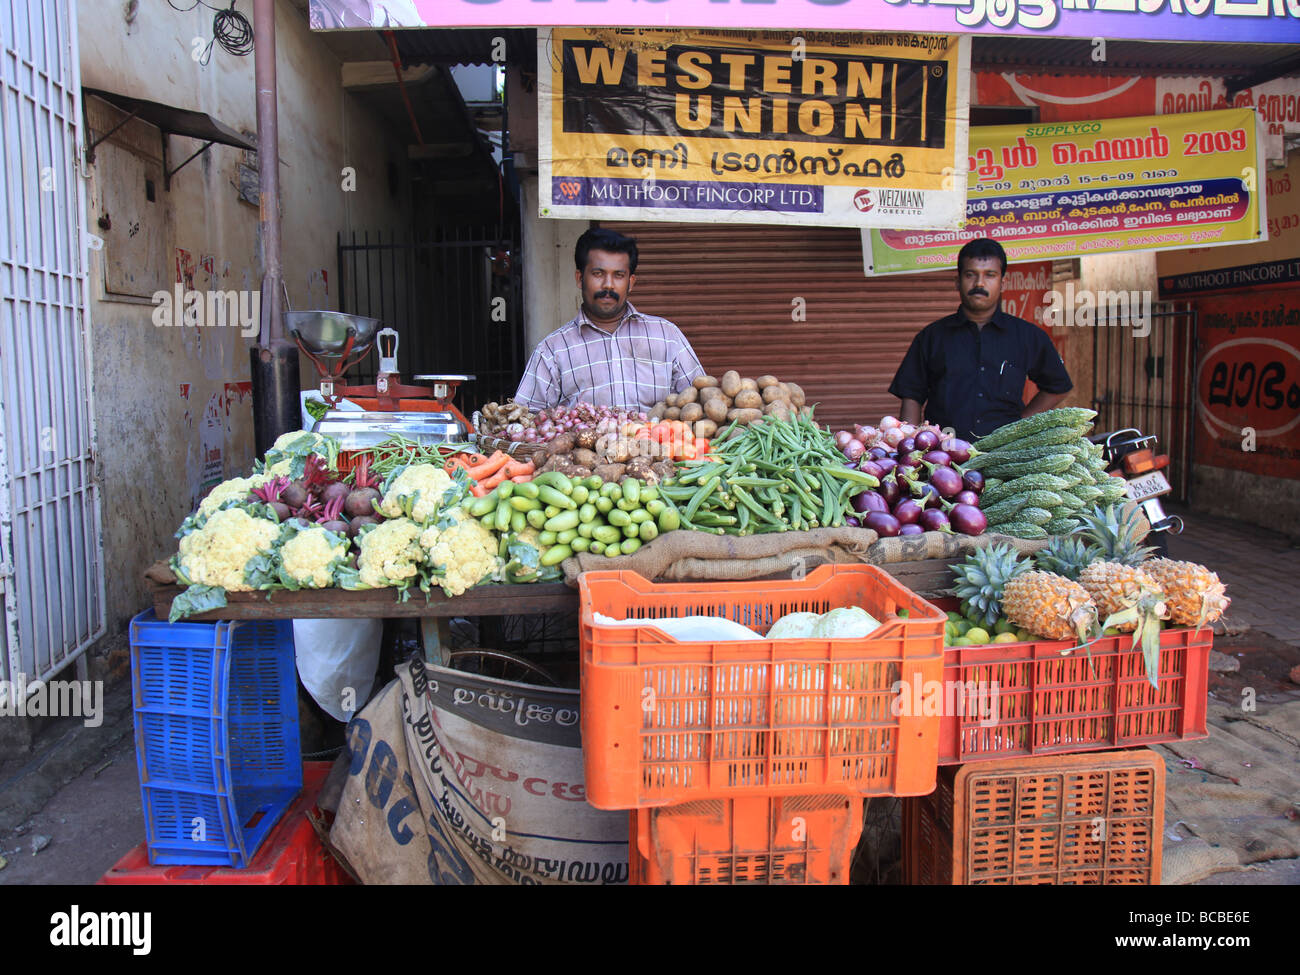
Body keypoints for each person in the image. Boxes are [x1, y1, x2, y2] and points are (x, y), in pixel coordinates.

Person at [888, 237, 1073, 443]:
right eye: (970, 275)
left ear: (1002, 282)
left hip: (1004, 455)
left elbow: (1058, 387)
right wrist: (910, 446)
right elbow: (911, 396)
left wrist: (1021, 426)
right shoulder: (932, 337)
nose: (979, 283)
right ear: (957, 281)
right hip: (944, 454)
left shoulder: (1027, 336)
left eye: (990, 275)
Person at [514, 228, 704, 412]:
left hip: (656, 445)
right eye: (598, 274)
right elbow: (526, 417)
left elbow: (700, 400)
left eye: (619, 275)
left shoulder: (666, 335)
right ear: (580, 279)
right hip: (583, 446)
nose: (608, 285)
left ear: (631, 283)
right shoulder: (552, 351)